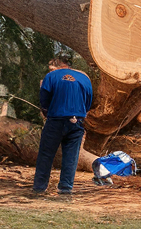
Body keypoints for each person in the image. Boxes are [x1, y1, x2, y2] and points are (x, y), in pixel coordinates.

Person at [32, 53, 93, 197]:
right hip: (77, 121)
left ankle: (39, 187)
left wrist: (47, 113)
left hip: (56, 120)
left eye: (50, 67)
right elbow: (88, 103)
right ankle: (65, 189)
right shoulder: (84, 78)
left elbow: (44, 101)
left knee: (46, 154)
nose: (49, 70)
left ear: (57, 65)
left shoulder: (51, 77)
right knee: (71, 156)